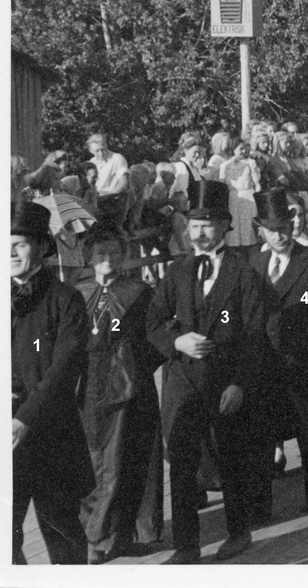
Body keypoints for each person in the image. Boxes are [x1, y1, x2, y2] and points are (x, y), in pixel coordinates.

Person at [144, 180, 268, 564]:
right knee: (181, 462)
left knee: (230, 457)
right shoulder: (177, 271)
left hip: (225, 379)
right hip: (182, 379)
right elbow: (154, 322)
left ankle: (238, 532)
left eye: (208, 223)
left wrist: (239, 383)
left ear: (226, 226)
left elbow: (254, 334)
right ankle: (186, 545)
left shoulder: (243, 272)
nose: (199, 231)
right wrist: (176, 341)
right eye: (194, 223)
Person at [76, 225, 165, 563]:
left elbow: (156, 338)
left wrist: (134, 366)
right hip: (89, 388)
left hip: (132, 387)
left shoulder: (139, 292)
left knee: (133, 459)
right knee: (97, 462)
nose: (107, 259)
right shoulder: (78, 294)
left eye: (113, 252)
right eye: (100, 253)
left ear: (123, 255)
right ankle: (97, 536)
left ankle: (134, 532)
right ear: (89, 257)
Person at [11, 201, 93, 565]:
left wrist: (25, 417)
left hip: (49, 433)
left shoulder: (65, 300)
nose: (10, 251)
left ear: (43, 247)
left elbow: (64, 367)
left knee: (63, 536)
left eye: (21, 243)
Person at [250, 187, 308, 513]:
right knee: (263, 431)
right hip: (267, 364)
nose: (281, 236)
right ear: (261, 231)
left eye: (285, 228)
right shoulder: (254, 265)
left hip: (304, 361)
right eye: (273, 230)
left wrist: (307, 348)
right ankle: (261, 506)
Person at [220, 140, 262, 252]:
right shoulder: (224, 165)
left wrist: (258, 200)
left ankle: (252, 254)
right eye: (240, 149)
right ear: (232, 150)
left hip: (248, 197)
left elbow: (257, 183)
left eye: (244, 148)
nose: (243, 151)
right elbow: (222, 185)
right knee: (234, 228)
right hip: (233, 199)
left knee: (249, 229)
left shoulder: (251, 163)